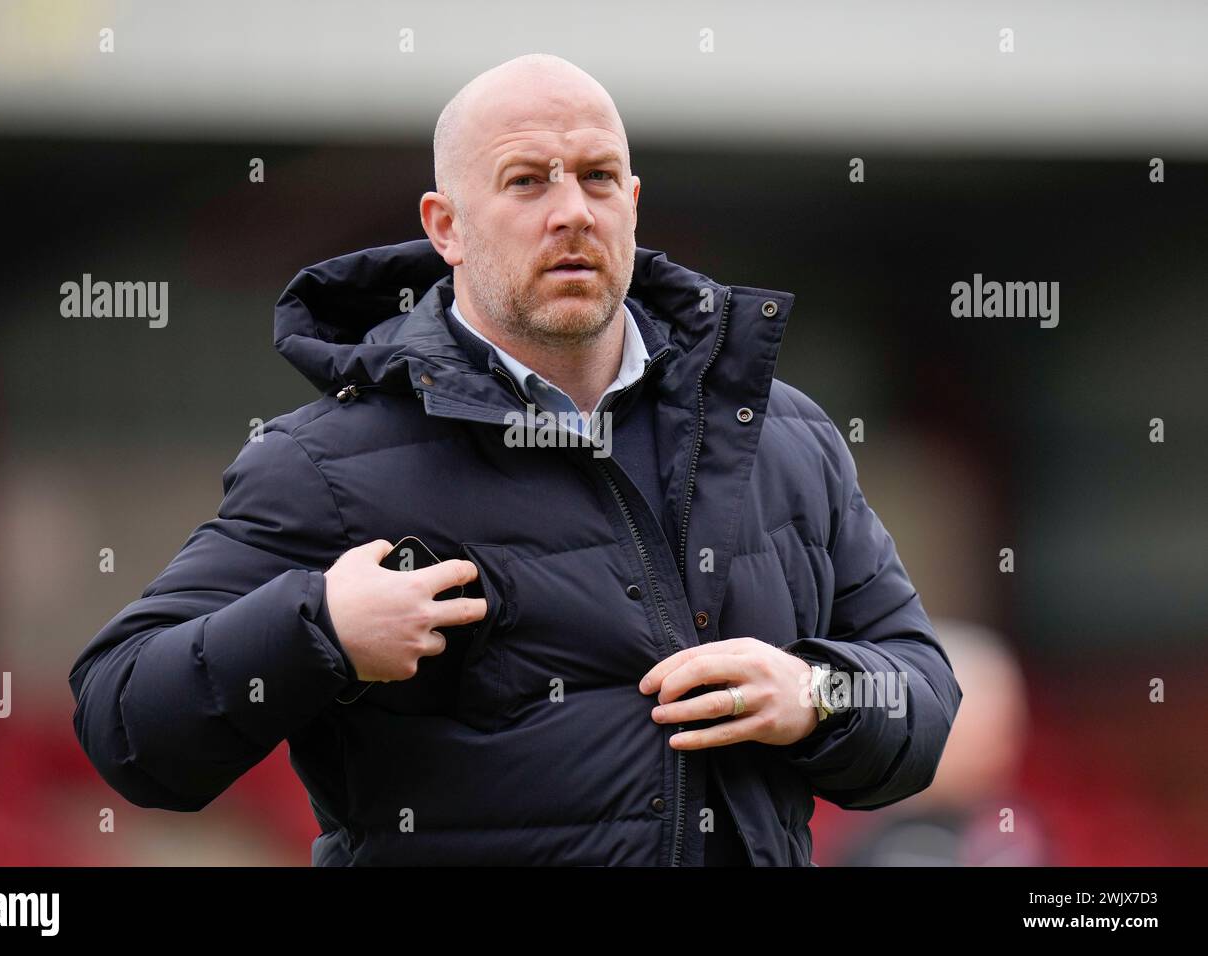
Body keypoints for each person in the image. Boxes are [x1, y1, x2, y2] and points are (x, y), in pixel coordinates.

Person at [69, 53, 962, 866]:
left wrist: (820, 692)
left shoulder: (783, 435)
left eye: (598, 178)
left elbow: (923, 697)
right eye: (527, 181)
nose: (572, 210)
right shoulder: (324, 462)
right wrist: (320, 630)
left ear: (632, 203)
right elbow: (126, 725)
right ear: (446, 226)